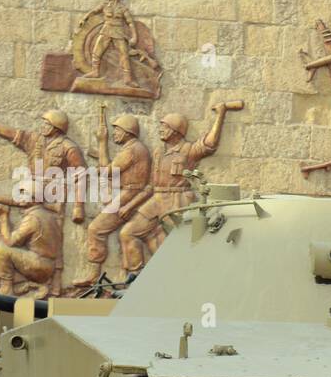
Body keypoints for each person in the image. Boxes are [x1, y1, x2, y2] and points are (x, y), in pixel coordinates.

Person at [118, 105, 232, 273]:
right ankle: (136, 277)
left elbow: (210, 143)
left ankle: (178, 274)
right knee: (127, 232)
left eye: (165, 127)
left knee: (178, 243)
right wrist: (129, 206)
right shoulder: (158, 152)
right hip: (156, 200)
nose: (160, 129)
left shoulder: (188, 150)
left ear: (176, 131)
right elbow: (150, 185)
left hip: (177, 201)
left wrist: (221, 113)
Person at [0, 107, 85, 223]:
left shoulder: (69, 147)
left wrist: (78, 206)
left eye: (47, 124)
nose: (43, 126)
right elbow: (9, 133)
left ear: (56, 128)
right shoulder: (35, 139)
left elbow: (80, 176)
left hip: (53, 195)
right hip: (32, 191)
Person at [74, 114, 151, 286]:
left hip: (129, 194)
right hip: (125, 192)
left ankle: (95, 275)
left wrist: (102, 142)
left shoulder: (132, 150)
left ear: (128, 132)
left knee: (95, 228)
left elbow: (107, 171)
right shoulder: (133, 149)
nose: (114, 133)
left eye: (117, 130)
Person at [0, 198, 62, 297]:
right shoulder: (48, 216)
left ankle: (6, 288)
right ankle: (31, 286)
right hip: (41, 268)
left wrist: (3, 216)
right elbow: (5, 232)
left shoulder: (33, 218)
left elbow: (9, 241)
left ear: (34, 199)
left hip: (37, 266)